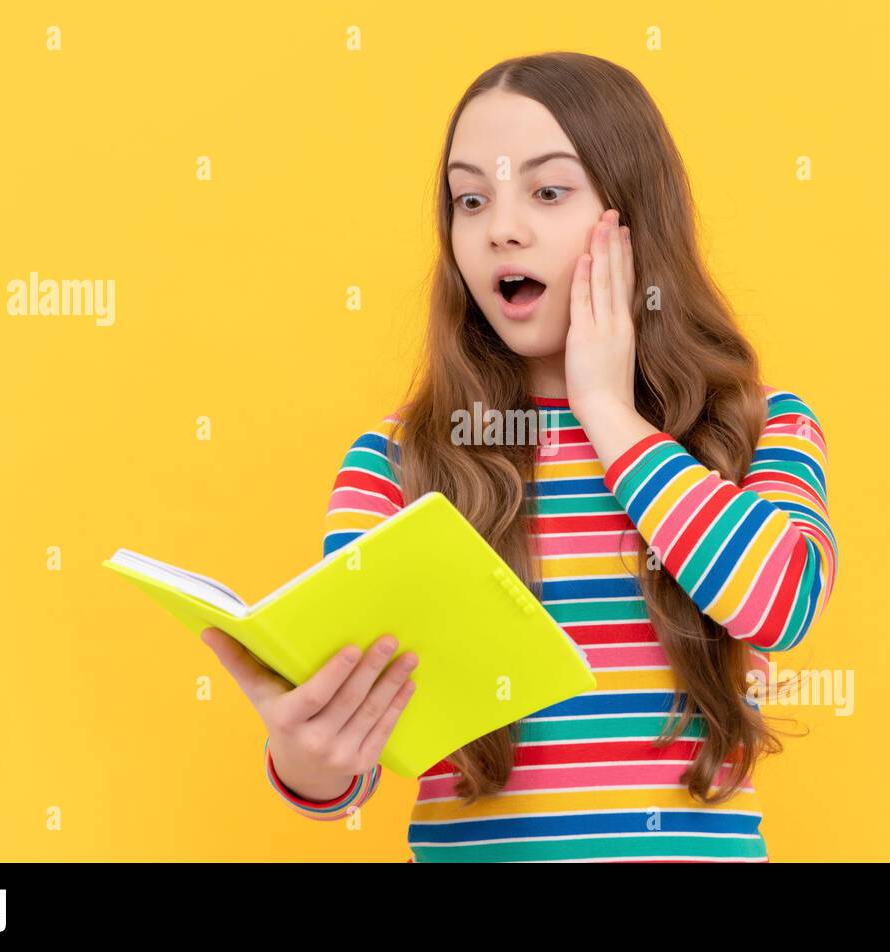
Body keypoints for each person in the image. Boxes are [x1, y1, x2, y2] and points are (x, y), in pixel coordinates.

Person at [202, 50, 837, 862]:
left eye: (547, 191)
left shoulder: (757, 428)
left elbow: (783, 604)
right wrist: (307, 756)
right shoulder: (396, 464)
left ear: (637, 216)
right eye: (472, 199)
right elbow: (356, 760)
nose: (500, 226)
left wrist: (606, 412)